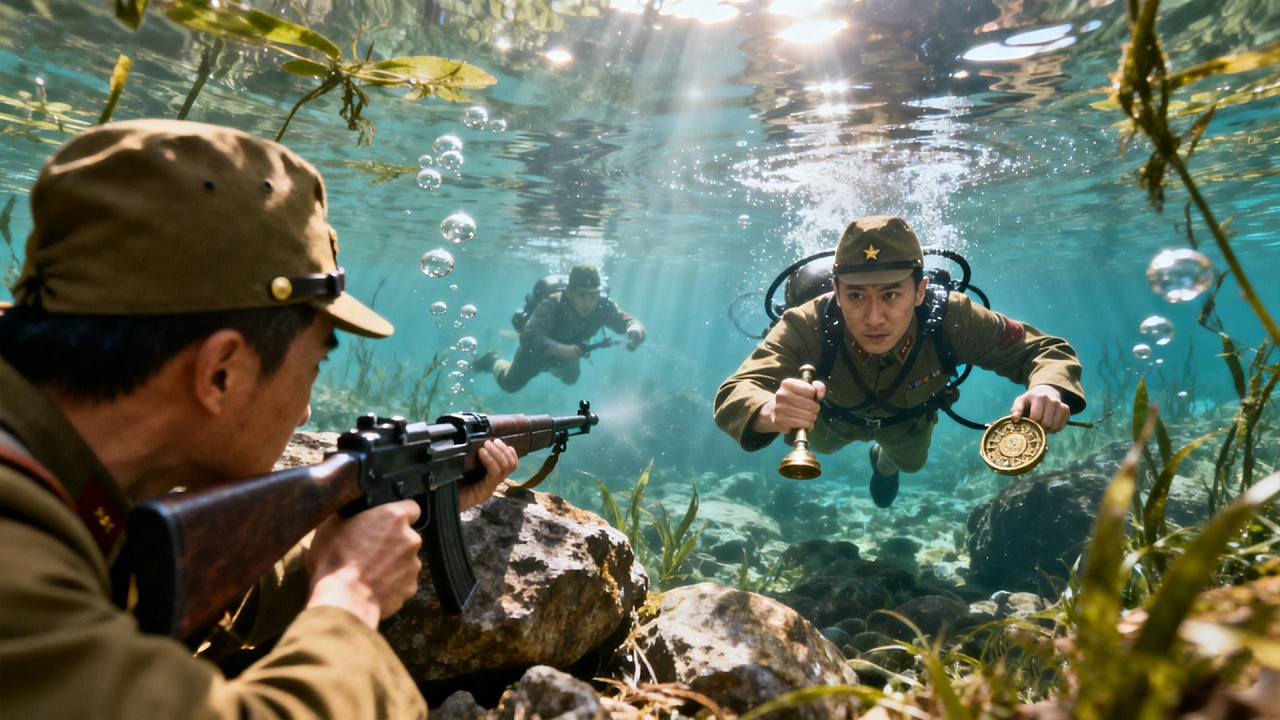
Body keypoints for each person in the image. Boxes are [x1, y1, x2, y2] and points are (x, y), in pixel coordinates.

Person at [0, 119, 520, 719]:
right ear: (222, 371)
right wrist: (351, 596)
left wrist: (387, 524)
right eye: (316, 366)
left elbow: (158, 591)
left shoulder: (66, 484)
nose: (305, 409)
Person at [714, 215, 1085, 508]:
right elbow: (735, 392)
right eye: (856, 296)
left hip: (907, 424)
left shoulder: (954, 318)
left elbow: (1043, 350)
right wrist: (770, 411)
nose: (874, 317)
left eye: (891, 294)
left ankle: (884, 463)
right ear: (837, 293)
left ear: (920, 290)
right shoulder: (808, 321)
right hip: (827, 420)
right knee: (824, 447)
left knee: (910, 463)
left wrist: (1048, 386)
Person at [475, 264, 646, 392]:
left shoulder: (603, 305)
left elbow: (628, 321)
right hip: (535, 353)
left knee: (571, 379)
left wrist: (635, 330)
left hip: (570, 352)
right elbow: (529, 336)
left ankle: (553, 368)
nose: (588, 302)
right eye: (582, 295)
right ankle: (492, 359)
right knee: (509, 384)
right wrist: (558, 349)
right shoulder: (552, 304)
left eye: (593, 295)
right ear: (569, 292)